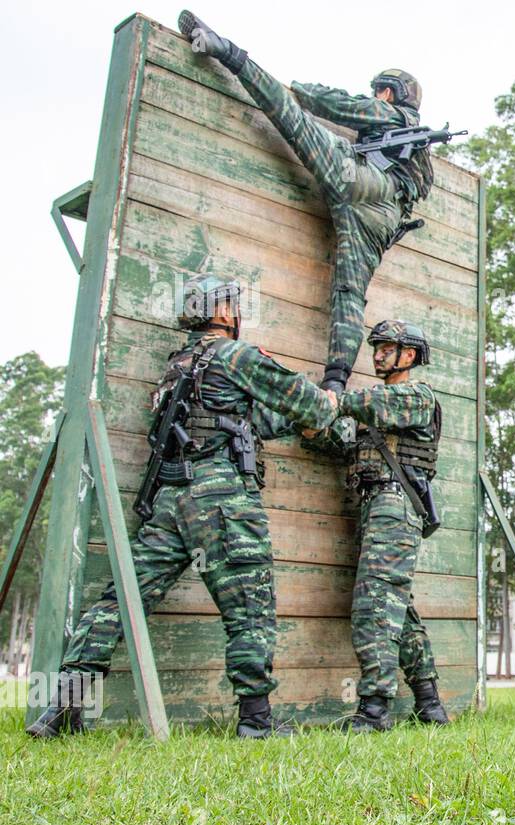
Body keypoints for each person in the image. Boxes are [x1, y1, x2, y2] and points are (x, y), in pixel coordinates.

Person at [27, 275, 339, 739]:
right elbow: (312, 408)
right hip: (221, 501)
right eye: (233, 304)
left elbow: (242, 420)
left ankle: (60, 710)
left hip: (170, 503)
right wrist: (328, 403)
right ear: (222, 311)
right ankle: (256, 722)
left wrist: (286, 423)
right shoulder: (236, 355)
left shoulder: (178, 366)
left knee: (122, 600)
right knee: (250, 607)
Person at [179, 10, 438, 394]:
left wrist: (298, 91)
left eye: (380, 91)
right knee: (348, 295)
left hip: (366, 185)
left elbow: (337, 106)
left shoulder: (398, 117)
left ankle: (229, 53)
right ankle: (335, 384)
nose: (376, 96)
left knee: (293, 121)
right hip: (382, 222)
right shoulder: (420, 154)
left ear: (389, 93)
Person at [302, 320, 449, 731]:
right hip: (375, 507)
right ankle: (429, 703)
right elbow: (333, 438)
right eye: (377, 346)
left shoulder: (416, 397)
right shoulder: (369, 409)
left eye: (389, 347)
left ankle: (374, 709)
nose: (379, 353)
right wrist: (310, 418)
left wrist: (331, 399)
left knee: (375, 602)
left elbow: (368, 405)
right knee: (395, 604)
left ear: (411, 355)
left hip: (396, 502)